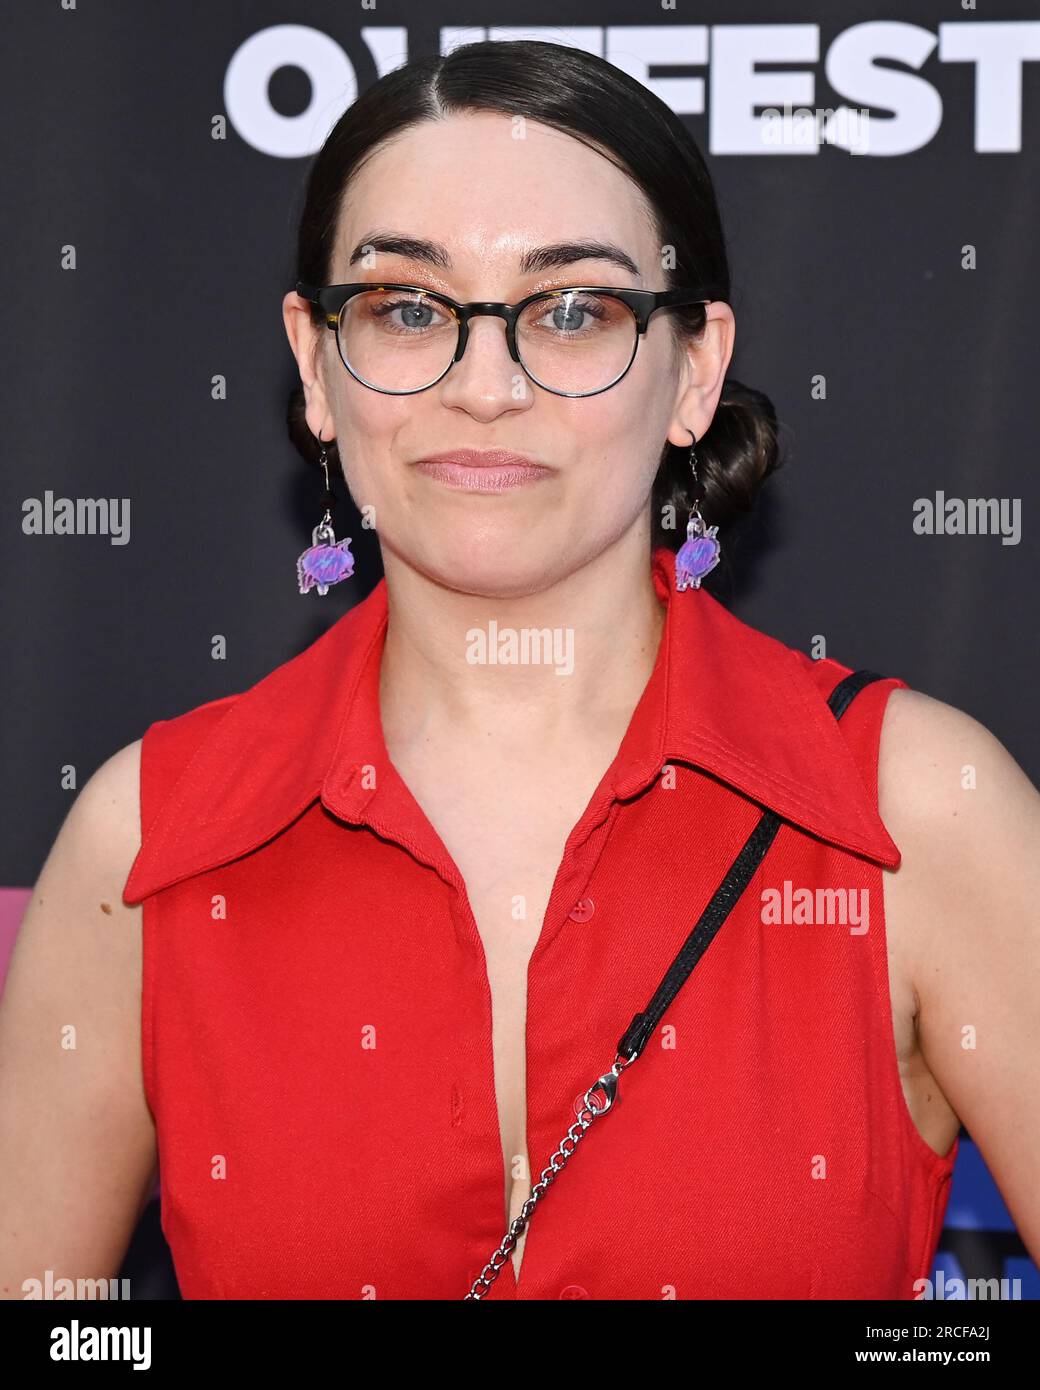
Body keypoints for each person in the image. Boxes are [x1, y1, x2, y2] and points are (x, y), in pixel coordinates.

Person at [2, 39, 1037, 1302]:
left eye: (568, 311)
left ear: (693, 371)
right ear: (317, 362)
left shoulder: (914, 813)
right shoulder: (149, 837)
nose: (483, 388)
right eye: (405, 309)